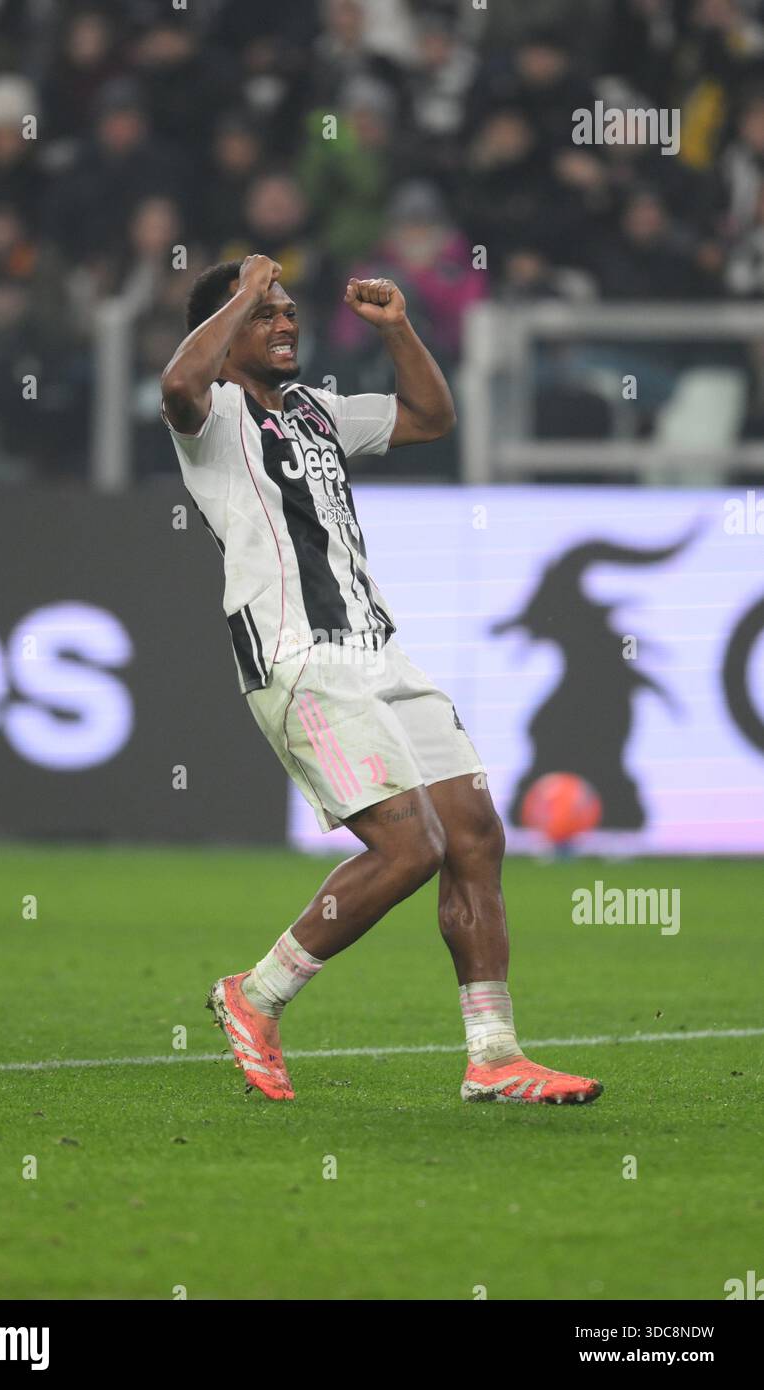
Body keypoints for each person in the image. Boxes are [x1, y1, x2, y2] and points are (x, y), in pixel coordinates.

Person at [160, 253, 604, 1107]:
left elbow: (431, 417)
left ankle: (494, 1055)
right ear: (225, 328)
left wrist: (399, 329)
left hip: (379, 652)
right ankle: (255, 997)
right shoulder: (210, 417)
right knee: (411, 846)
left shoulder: (319, 412)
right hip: (297, 658)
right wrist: (241, 287)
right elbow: (178, 381)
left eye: (288, 309)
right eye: (264, 312)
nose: (284, 322)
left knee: (473, 831)